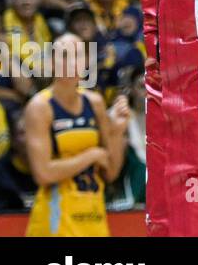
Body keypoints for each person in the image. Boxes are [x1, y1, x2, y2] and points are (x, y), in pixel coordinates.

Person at [23, 33, 128, 236]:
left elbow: (110, 172)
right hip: (55, 223)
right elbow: (43, 173)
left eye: (77, 55)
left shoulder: (95, 102)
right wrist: (90, 156)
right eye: (64, 55)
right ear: (51, 62)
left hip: (94, 220)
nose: (71, 62)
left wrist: (116, 132)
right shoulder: (39, 107)